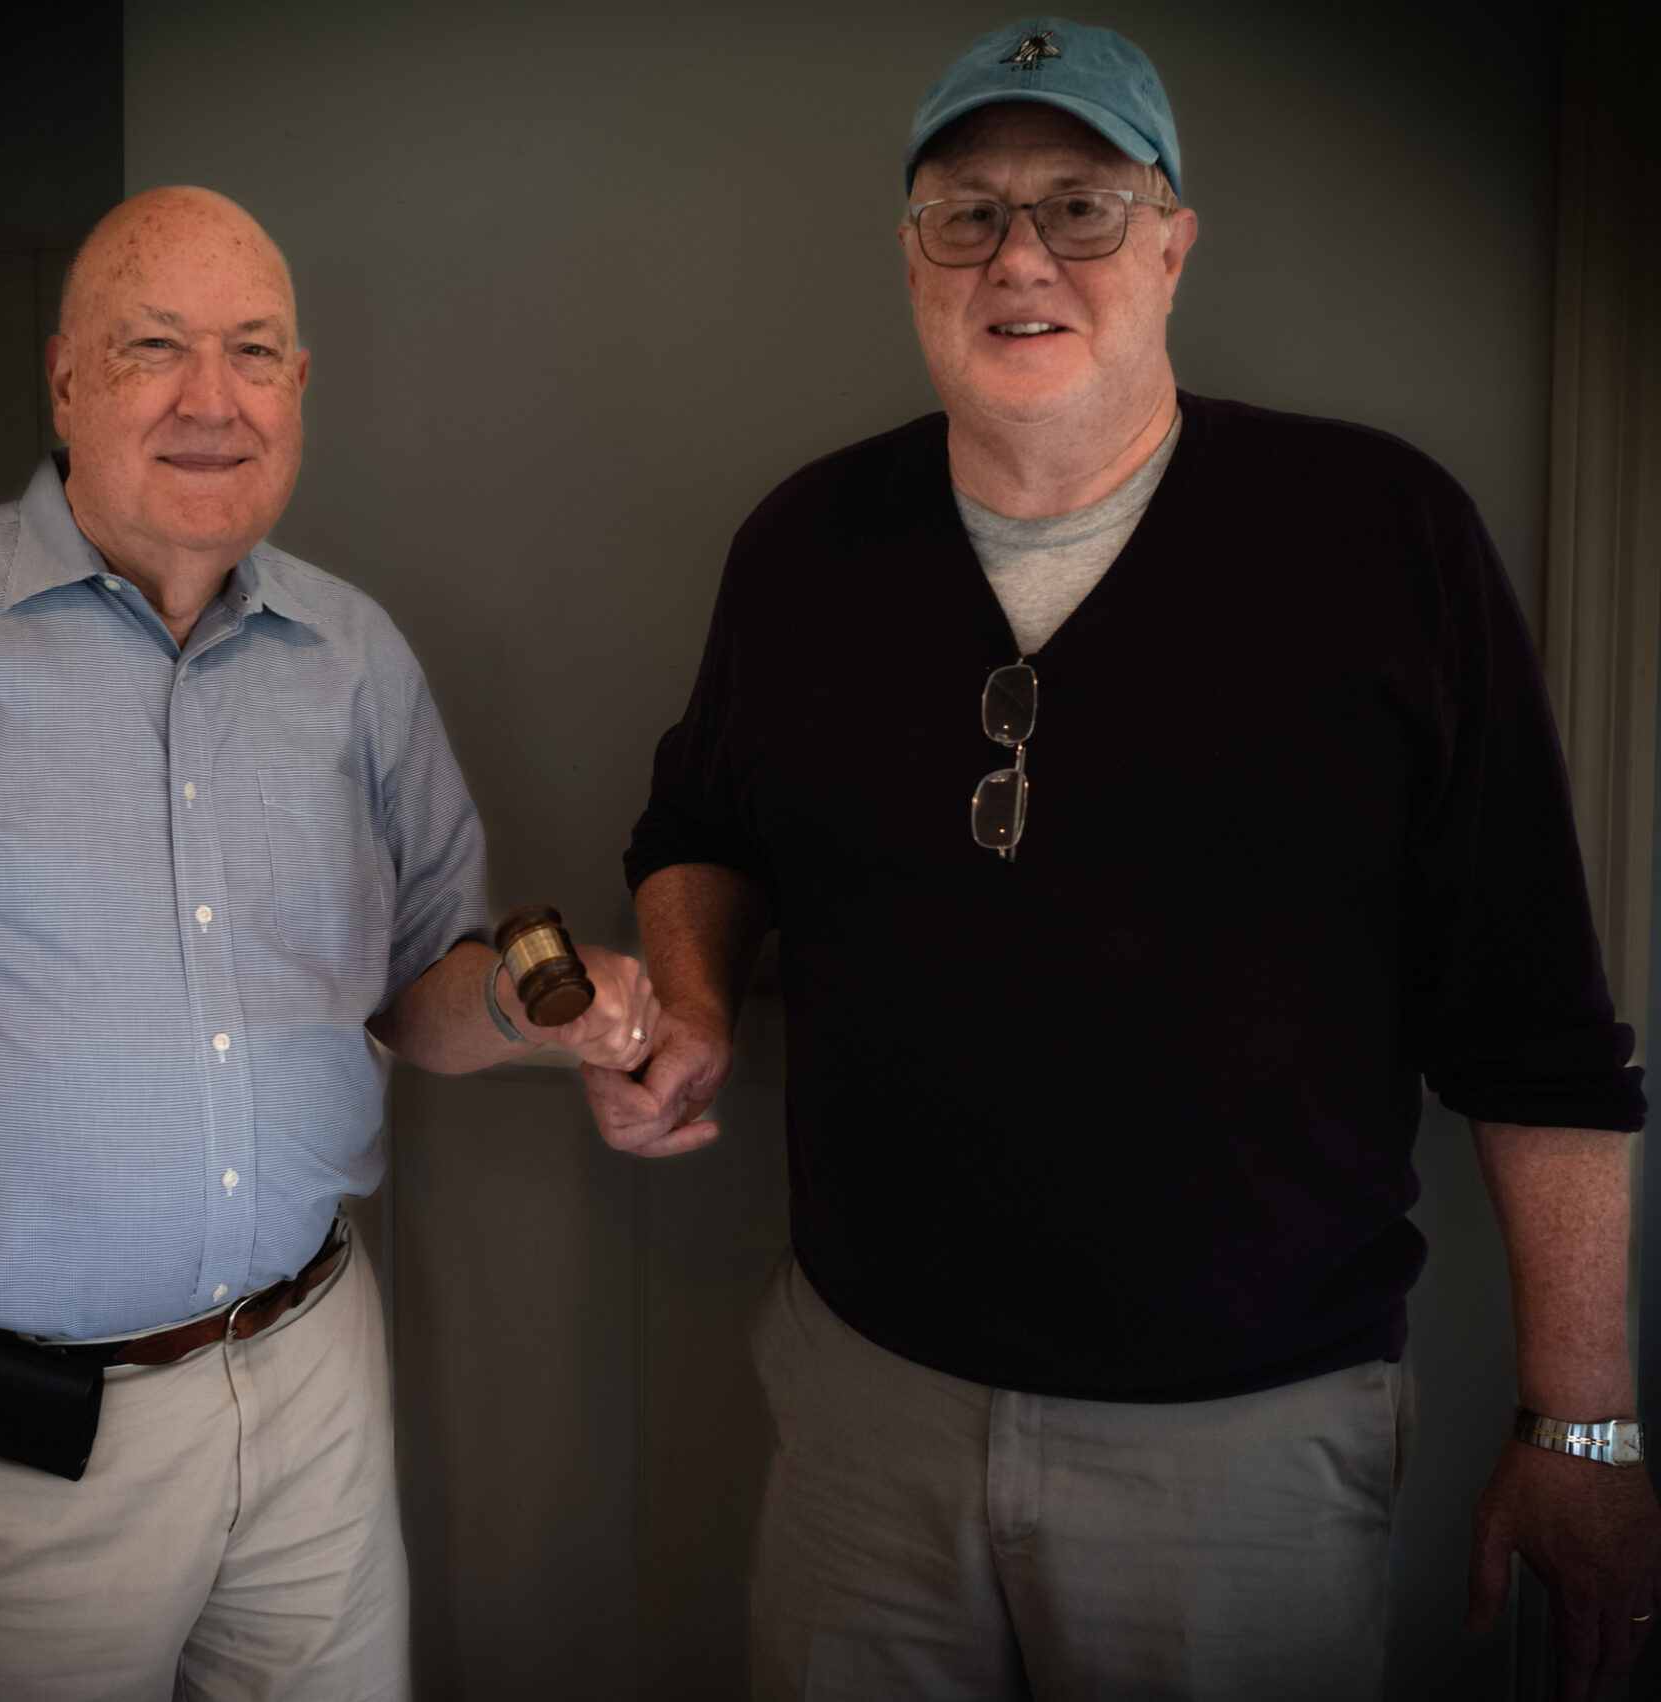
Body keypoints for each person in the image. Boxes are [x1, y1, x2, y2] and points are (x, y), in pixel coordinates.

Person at [583, 19, 1661, 1701]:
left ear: (1173, 245)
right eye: (970, 212)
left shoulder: (1384, 539)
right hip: (868, 1413)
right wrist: (700, 991)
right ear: (913, 256)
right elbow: (700, 833)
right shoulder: (802, 548)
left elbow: (1534, 1023)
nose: (1023, 256)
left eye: (1084, 206)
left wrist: (1582, 1420)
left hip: (1243, 1452)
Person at [0, 185, 658, 1701]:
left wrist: (516, 1009)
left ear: (299, 386)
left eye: (252, 351)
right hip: (1, 1455)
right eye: (153, 347)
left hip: (311, 1389)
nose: (209, 400)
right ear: (62, 379)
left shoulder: (356, 657)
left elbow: (417, 988)